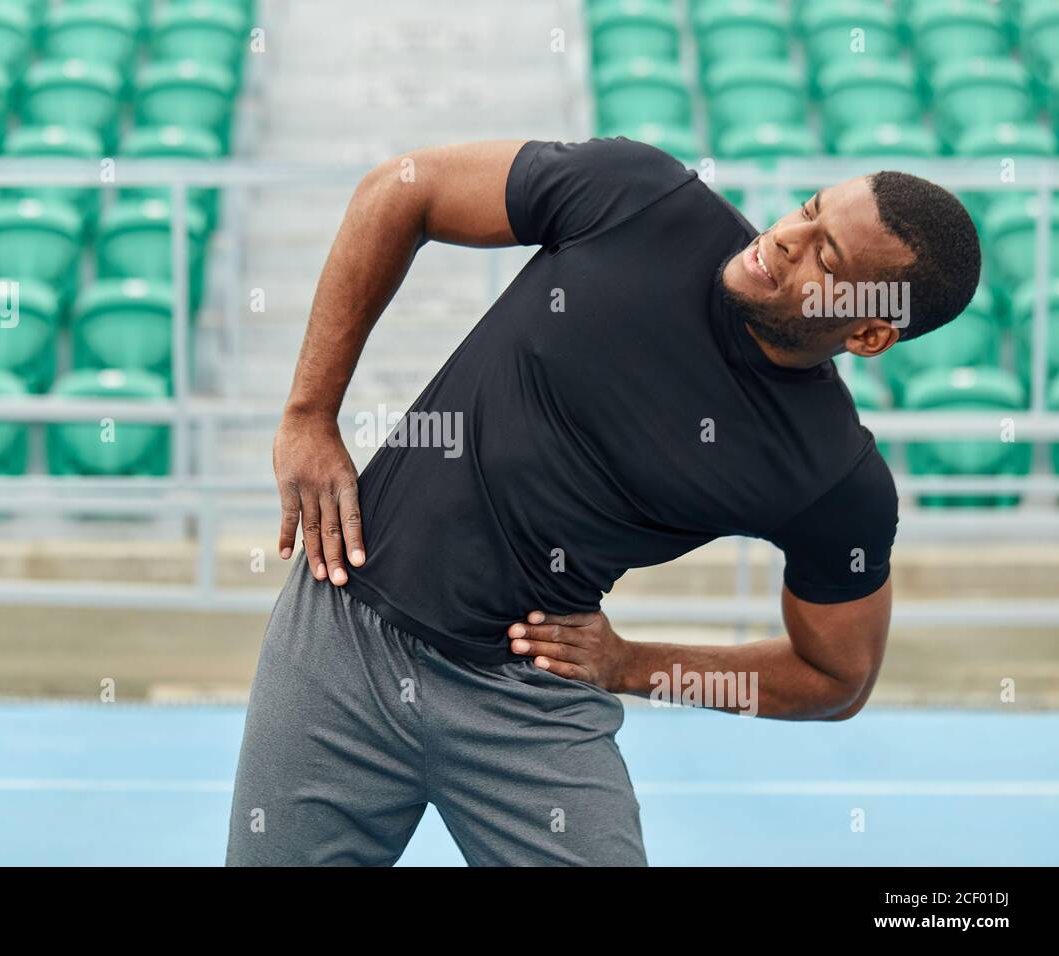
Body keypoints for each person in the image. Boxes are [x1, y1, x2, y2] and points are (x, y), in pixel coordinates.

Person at [225, 137, 982, 866]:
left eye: (828, 256)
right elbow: (403, 186)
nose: (789, 237)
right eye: (810, 209)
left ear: (873, 331)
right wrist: (309, 414)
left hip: (528, 704)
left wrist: (633, 664)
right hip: (340, 637)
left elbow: (836, 678)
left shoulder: (832, 477)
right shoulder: (638, 196)